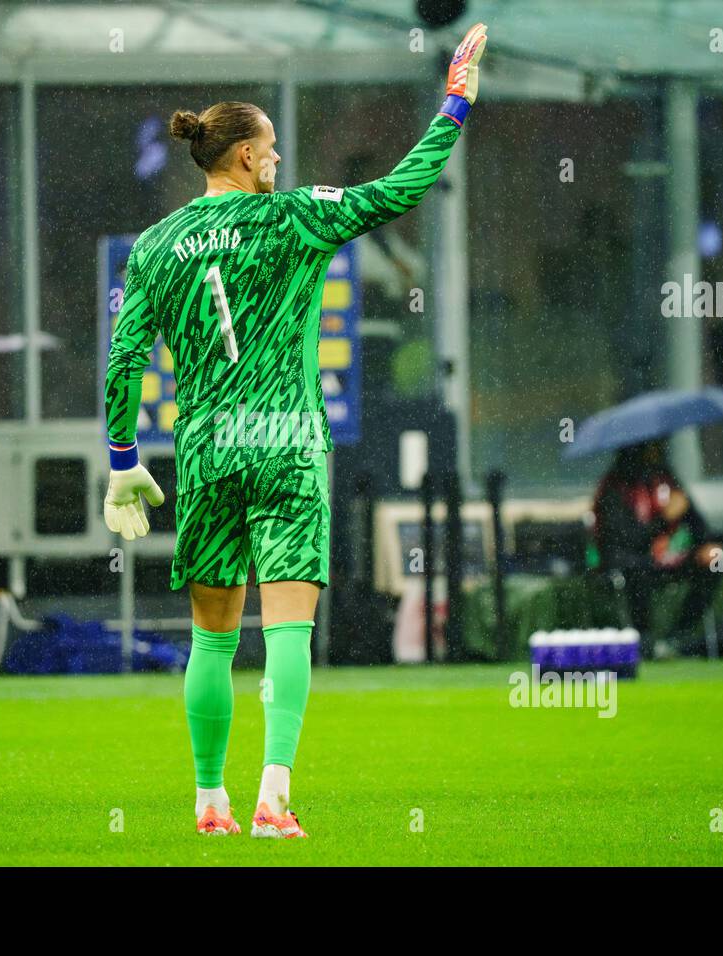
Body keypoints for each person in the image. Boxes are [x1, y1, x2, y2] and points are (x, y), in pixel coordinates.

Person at [101, 23, 488, 838]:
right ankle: (274, 793)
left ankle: (210, 802)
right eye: (270, 148)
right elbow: (402, 188)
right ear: (241, 156)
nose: (278, 159)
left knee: (210, 641)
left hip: (206, 449)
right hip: (286, 444)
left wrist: (122, 458)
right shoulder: (298, 221)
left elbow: (124, 357)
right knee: (286, 629)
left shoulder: (156, 246)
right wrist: (453, 103)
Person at [592, 439, 723, 658]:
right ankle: (645, 641)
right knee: (636, 568)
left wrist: (704, 543)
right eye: (650, 449)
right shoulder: (614, 489)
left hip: (667, 559)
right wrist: (663, 520)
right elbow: (628, 540)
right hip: (630, 563)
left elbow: (695, 522)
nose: (656, 453)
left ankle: (679, 635)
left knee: (715, 561)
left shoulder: (665, 481)